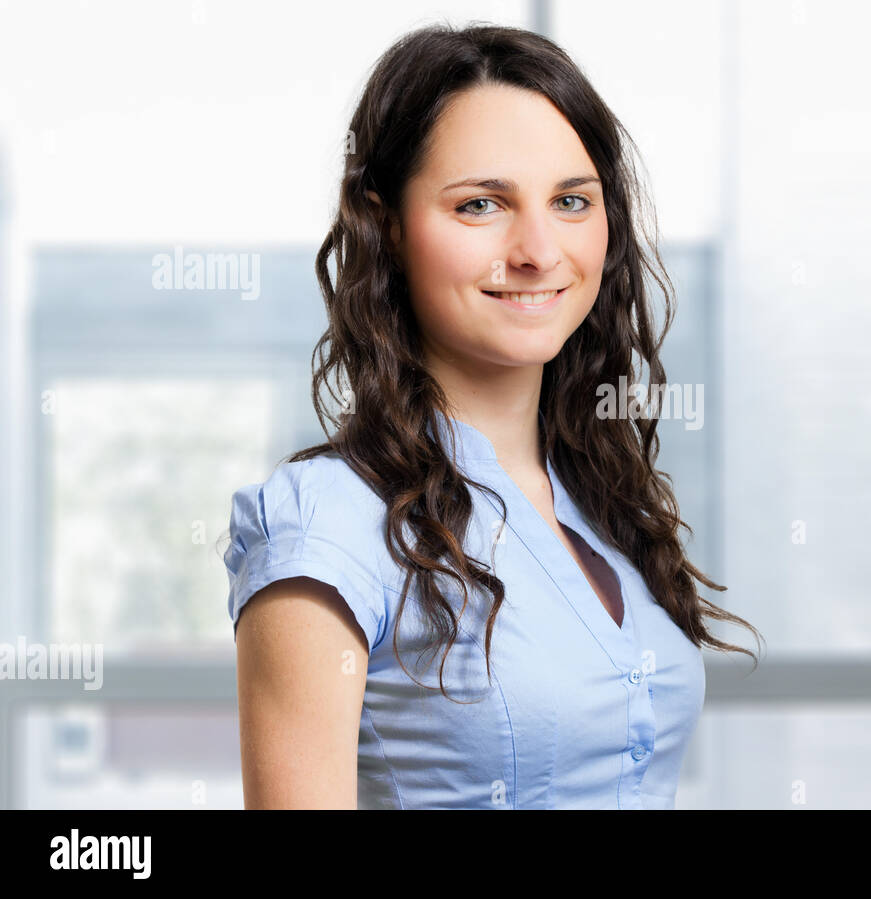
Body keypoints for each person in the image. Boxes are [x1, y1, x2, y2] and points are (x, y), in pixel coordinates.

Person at [223, 22, 761, 809]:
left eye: (571, 201)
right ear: (388, 228)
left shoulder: (606, 504)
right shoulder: (324, 526)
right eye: (481, 204)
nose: (540, 249)